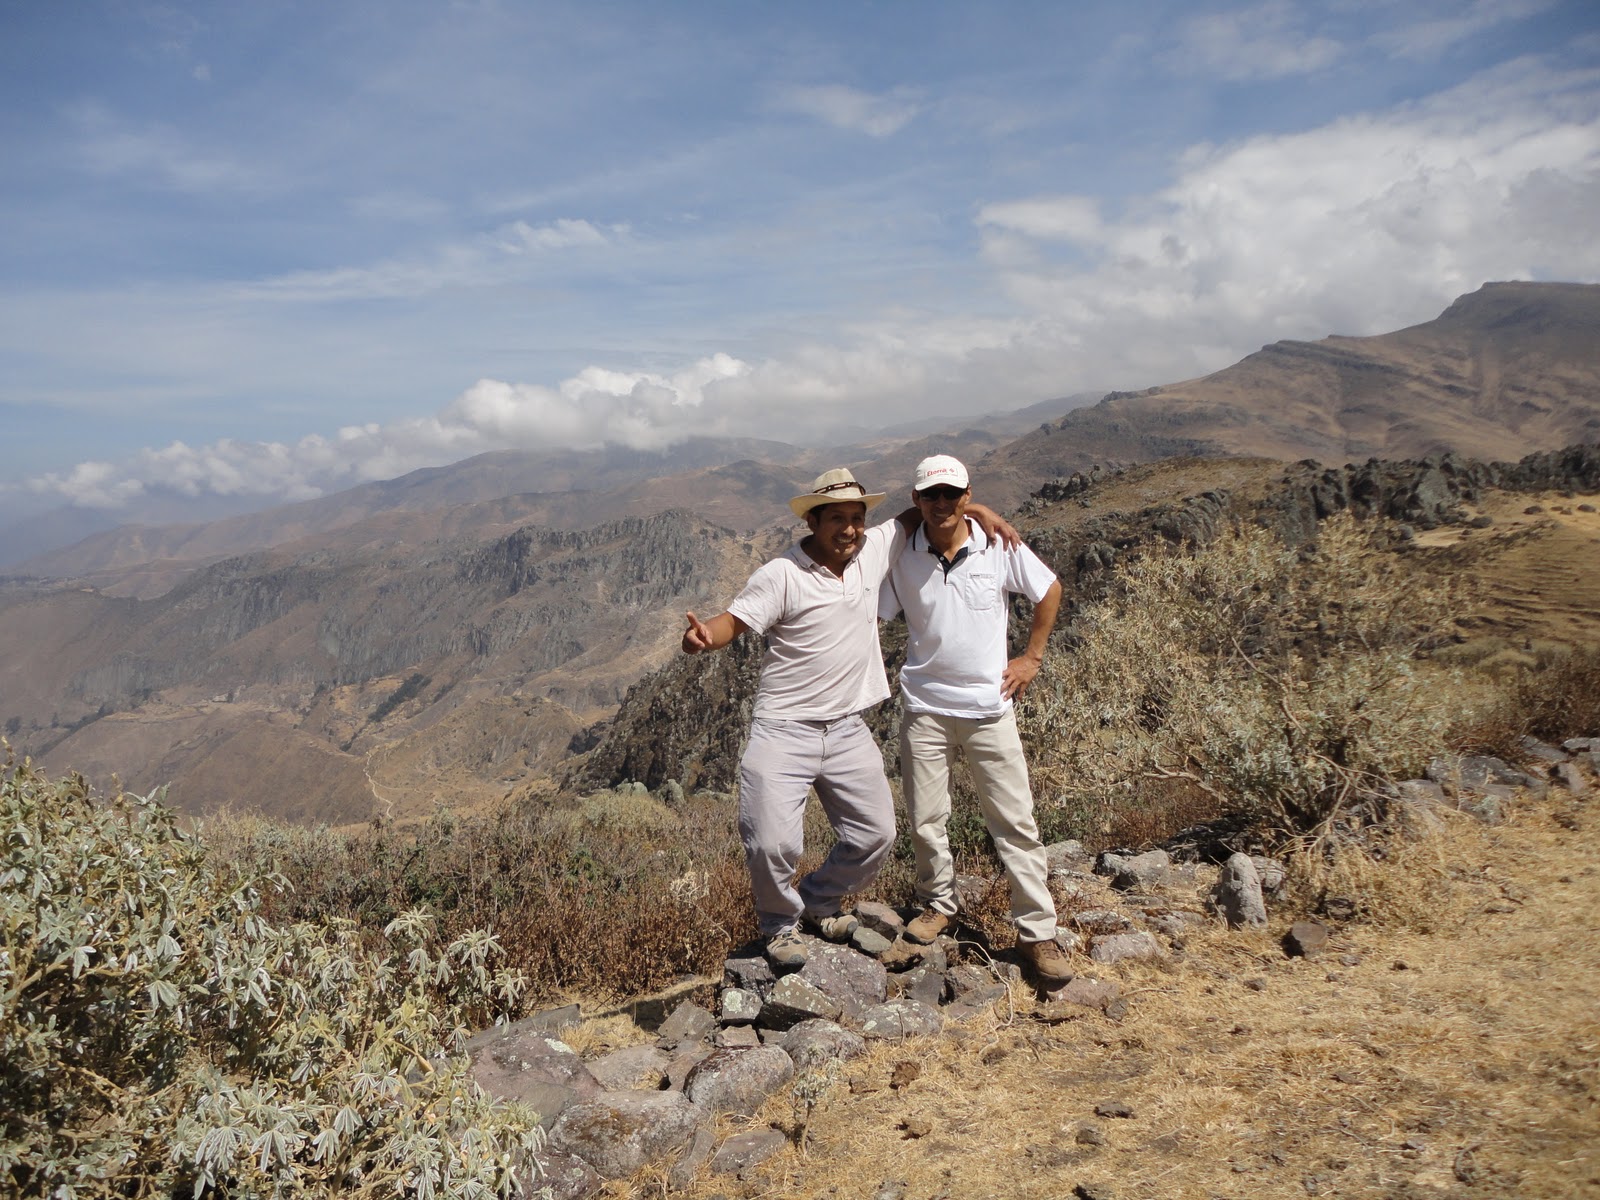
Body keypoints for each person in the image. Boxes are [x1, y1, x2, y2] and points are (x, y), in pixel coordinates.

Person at [683, 467, 1014, 968]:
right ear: (812, 522)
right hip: (784, 729)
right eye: (836, 518)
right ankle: (779, 926)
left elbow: (914, 517)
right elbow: (734, 621)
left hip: (846, 729)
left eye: (857, 518)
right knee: (772, 843)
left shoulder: (872, 549)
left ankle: (819, 900)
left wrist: (975, 509)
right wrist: (704, 637)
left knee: (875, 835)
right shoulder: (782, 574)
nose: (850, 529)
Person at [880, 454, 1071, 986]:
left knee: (1015, 822)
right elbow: (871, 605)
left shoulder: (997, 545)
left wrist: (1031, 658)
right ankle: (938, 905)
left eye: (952, 493)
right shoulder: (903, 554)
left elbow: (1049, 589)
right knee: (926, 818)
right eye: (930, 494)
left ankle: (1037, 931)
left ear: (967, 496)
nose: (941, 503)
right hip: (925, 707)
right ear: (916, 500)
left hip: (989, 709)